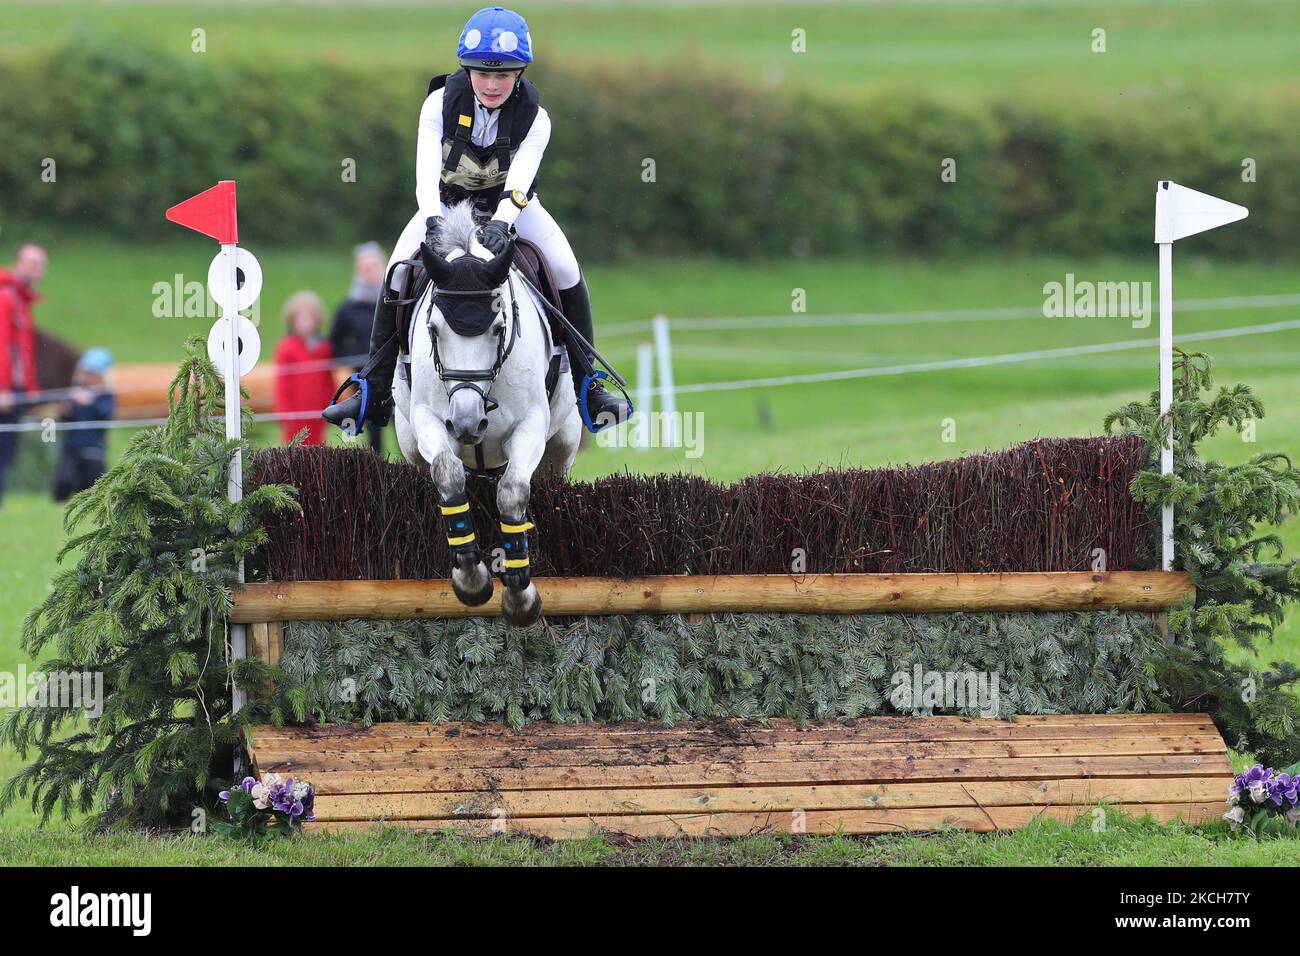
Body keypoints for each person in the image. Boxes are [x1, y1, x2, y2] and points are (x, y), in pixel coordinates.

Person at [323, 5, 631, 436]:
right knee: (395, 273)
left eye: (502, 75)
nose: (491, 84)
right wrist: (432, 219)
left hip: (512, 208)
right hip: (445, 203)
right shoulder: (438, 104)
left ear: (519, 73)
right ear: (466, 71)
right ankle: (371, 393)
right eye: (481, 74)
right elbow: (424, 173)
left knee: (564, 267)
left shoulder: (535, 119)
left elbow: (519, 183)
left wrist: (503, 222)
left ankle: (589, 385)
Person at [0, 243, 47, 503]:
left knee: (8, 449)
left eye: (40, 265)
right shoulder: (7, 296)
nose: (36, 270)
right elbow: (2, 344)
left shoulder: (20, 299)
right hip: (5, 392)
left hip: (15, 391)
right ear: (16, 262)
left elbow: (24, 352)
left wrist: (30, 391)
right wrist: (4, 389)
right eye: (31, 263)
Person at [330, 242, 387, 451]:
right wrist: (355, 359)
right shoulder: (349, 308)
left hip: (397, 372)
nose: (368, 272)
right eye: (363, 268)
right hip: (365, 376)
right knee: (371, 427)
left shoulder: (393, 303)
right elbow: (335, 343)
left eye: (371, 267)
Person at [52, 347, 115, 502]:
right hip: (72, 446)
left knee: (91, 484)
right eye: (86, 374)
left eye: (92, 375)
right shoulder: (76, 391)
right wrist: (65, 410)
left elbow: (105, 413)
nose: (88, 378)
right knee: (64, 480)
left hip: (94, 448)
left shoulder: (106, 395)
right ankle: (59, 506)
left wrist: (90, 402)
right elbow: (65, 417)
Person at [274, 291, 337, 446]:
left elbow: (328, 381)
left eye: (310, 317)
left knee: (318, 455)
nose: (306, 322)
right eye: (301, 318)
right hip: (295, 416)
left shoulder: (324, 349)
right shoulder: (286, 348)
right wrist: (285, 415)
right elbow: (282, 386)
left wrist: (330, 407)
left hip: (318, 414)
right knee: (295, 455)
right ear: (292, 320)